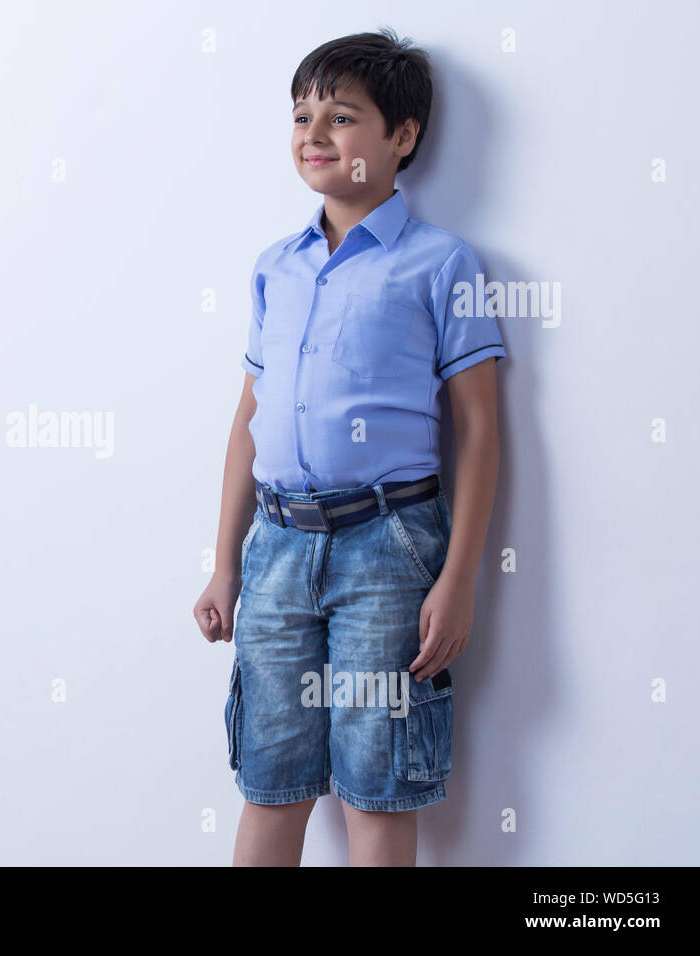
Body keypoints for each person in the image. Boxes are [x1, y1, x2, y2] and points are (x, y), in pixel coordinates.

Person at [192, 27, 506, 866]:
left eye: (341, 116)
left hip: (388, 551)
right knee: (271, 782)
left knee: (377, 787)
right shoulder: (276, 268)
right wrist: (227, 563)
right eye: (301, 116)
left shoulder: (441, 264)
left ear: (402, 137)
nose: (314, 135)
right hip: (278, 550)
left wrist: (459, 578)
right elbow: (247, 421)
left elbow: (478, 428)